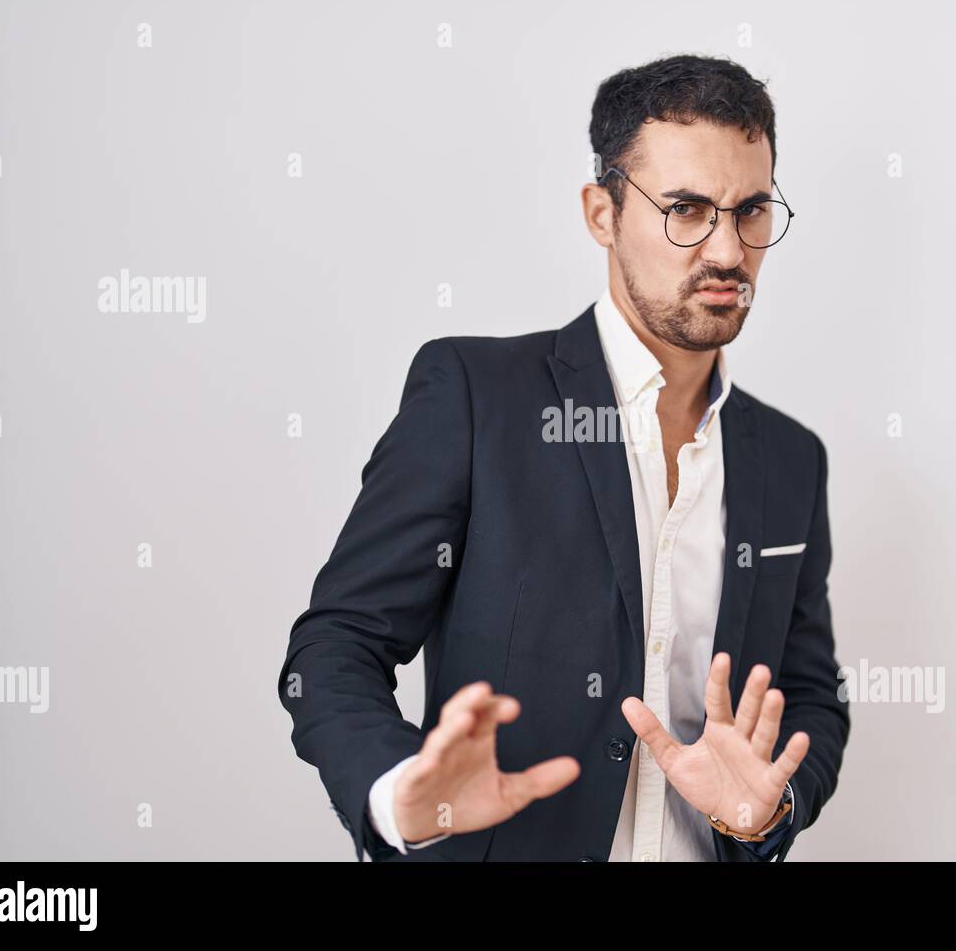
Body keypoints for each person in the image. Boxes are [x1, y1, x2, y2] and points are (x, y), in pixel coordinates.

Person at [277, 53, 849, 862]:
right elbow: (336, 646)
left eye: (750, 210)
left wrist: (769, 809)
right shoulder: (477, 396)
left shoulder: (793, 457)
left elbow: (813, 697)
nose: (728, 252)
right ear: (602, 214)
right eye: (686, 209)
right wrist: (398, 790)